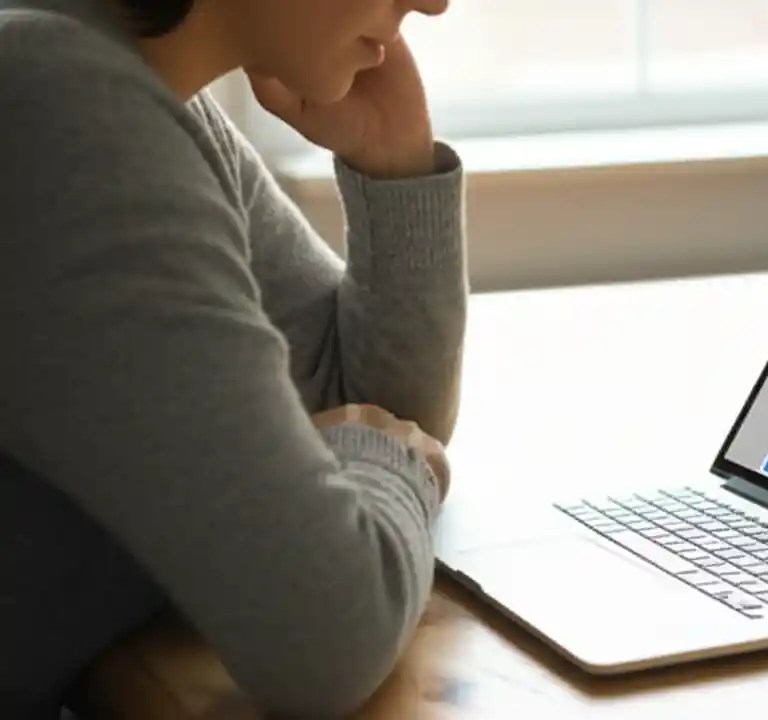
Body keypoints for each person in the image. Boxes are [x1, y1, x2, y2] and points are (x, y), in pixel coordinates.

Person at [0, 0, 465, 716]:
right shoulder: (59, 106)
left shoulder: (137, 90)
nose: (435, 2)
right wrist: (390, 465)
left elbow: (375, 403)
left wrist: (394, 159)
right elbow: (326, 631)